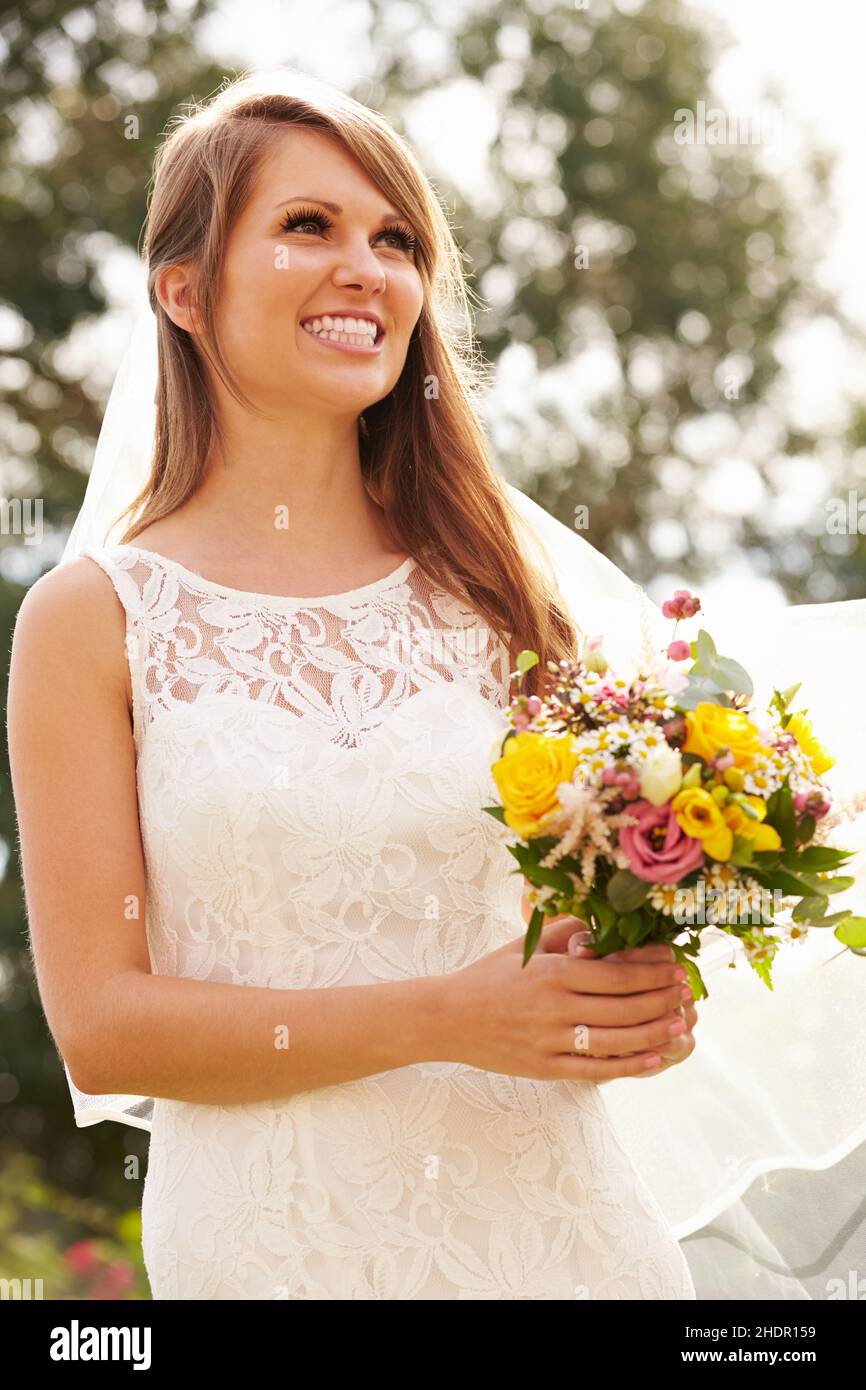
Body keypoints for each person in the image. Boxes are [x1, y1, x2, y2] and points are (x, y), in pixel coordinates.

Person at [7, 67, 699, 1300]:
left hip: (564, 1235)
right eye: (305, 226)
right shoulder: (93, 621)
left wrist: (632, 988)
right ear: (181, 290)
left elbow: (570, 948)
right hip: (277, 1250)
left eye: (394, 239)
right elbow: (104, 1028)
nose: (365, 268)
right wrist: (452, 1015)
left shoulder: (503, 598)